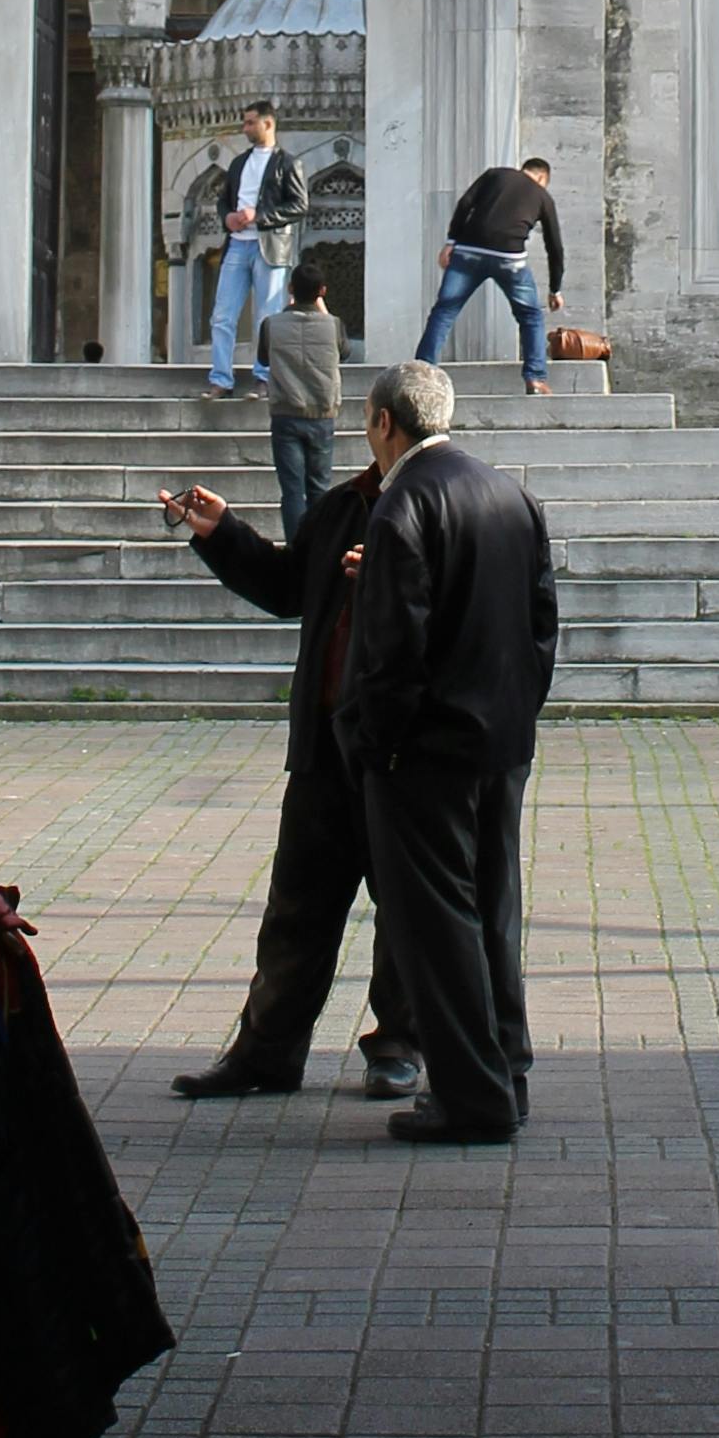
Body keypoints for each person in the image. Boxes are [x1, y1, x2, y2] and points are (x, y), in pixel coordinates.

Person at [155, 444, 421, 1107]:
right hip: (327, 745)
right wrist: (223, 534)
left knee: (405, 914)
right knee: (296, 909)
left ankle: (399, 1047)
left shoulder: (442, 506)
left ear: (383, 423)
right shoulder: (342, 506)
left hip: (404, 752)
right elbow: (287, 587)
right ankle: (267, 1052)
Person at [338, 359, 559, 1145]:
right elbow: (542, 624)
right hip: (499, 737)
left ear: (385, 423)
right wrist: (517, 709)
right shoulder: (508, 492)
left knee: (439, 922)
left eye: (367, 421)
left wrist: (379, 739)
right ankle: (508, 1069)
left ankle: (471, 1094)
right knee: (493, 909)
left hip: (427, 747)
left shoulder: (403, 502)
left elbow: (395, 643)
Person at [415, 154, 565, 394]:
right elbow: (554, 245)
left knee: (444, 311)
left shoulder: (495, 174)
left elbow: (466, 203)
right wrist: (555, 288)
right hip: (509, 258)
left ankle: (422, 373)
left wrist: (451, 241)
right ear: (541, 177)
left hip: (469, 252)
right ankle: (535, 379)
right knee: (530, 316)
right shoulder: (542, 196)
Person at [205, 100, 309, 398]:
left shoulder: (288, 163)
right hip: (237, 245)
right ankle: (221, 379)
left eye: (251, 122)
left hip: (270, 248)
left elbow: (300, 205)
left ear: (268, 123)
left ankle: (264, 378)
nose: (245, 128)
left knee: (268, 316)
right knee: (223, 315)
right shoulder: (239, 163)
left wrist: (259, 218)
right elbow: (224, 199)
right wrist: (228, 217)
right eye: (245, 122)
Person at [254, 264, 343, 539]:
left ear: (290, 289)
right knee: (319, 487)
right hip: (322, 414)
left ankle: (297, 547)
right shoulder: (334, 325)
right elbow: (346, 351)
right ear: (322, 292)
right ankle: (319, 548)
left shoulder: (271, 325)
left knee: (292, 490)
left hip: (286, 414)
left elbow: (264, 359)